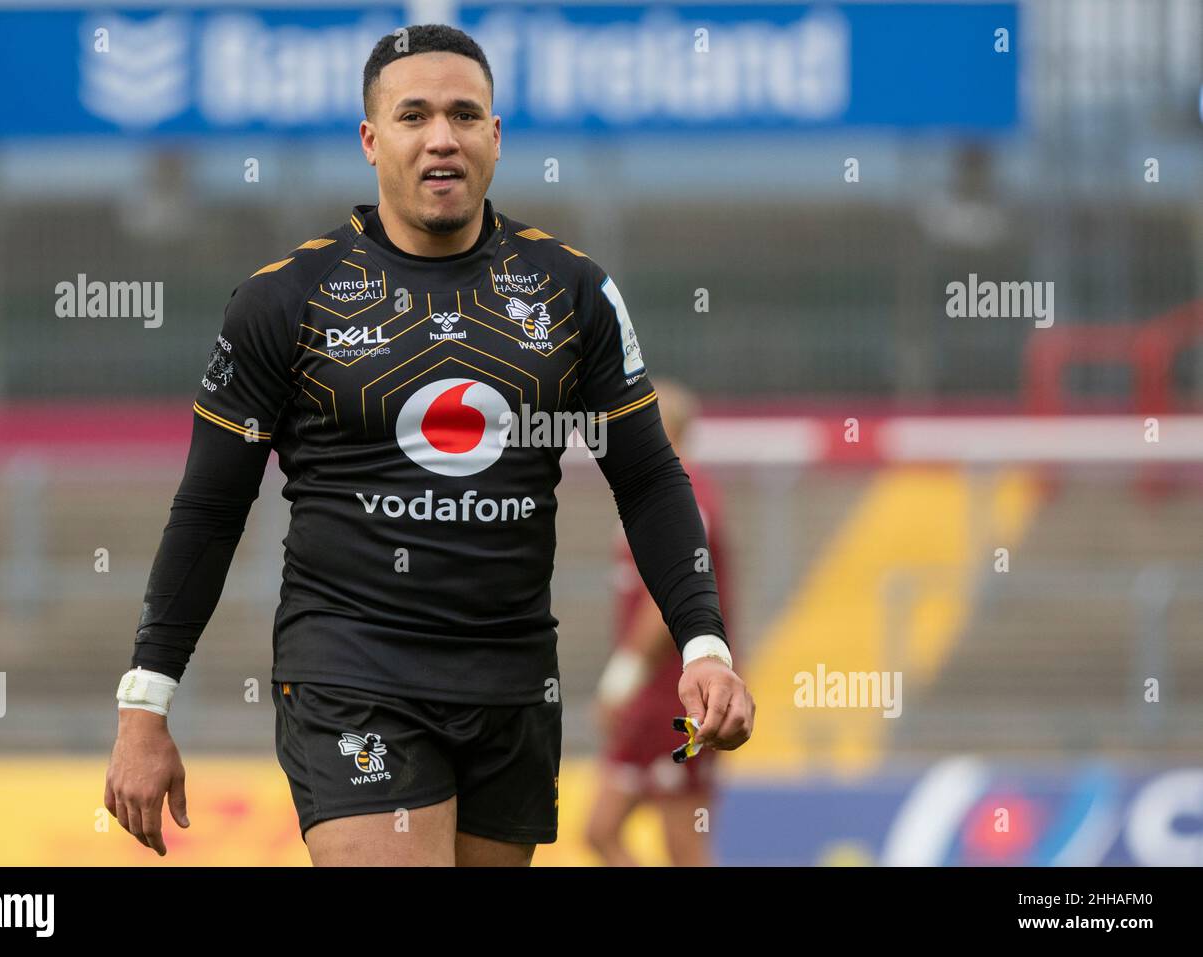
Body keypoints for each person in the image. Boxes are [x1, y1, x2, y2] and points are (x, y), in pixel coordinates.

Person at [104, 23, 754, 867]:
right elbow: (208, 509)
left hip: (512, 682)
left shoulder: (573, 291)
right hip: (351, 674)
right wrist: (144, 704)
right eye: (413, 116)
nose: (441, 136)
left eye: (463, 114)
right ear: (372, 140)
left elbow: (650, 478)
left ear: (495, 136)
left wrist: (703, 645)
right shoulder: (284, 301)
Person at [586, 379, 732, 866]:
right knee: (601, 829)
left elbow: (667, 604)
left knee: (683, 840)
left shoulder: (684, 499)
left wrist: (622, 678)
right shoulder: (655, 496)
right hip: (652, 697)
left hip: (676, 693)